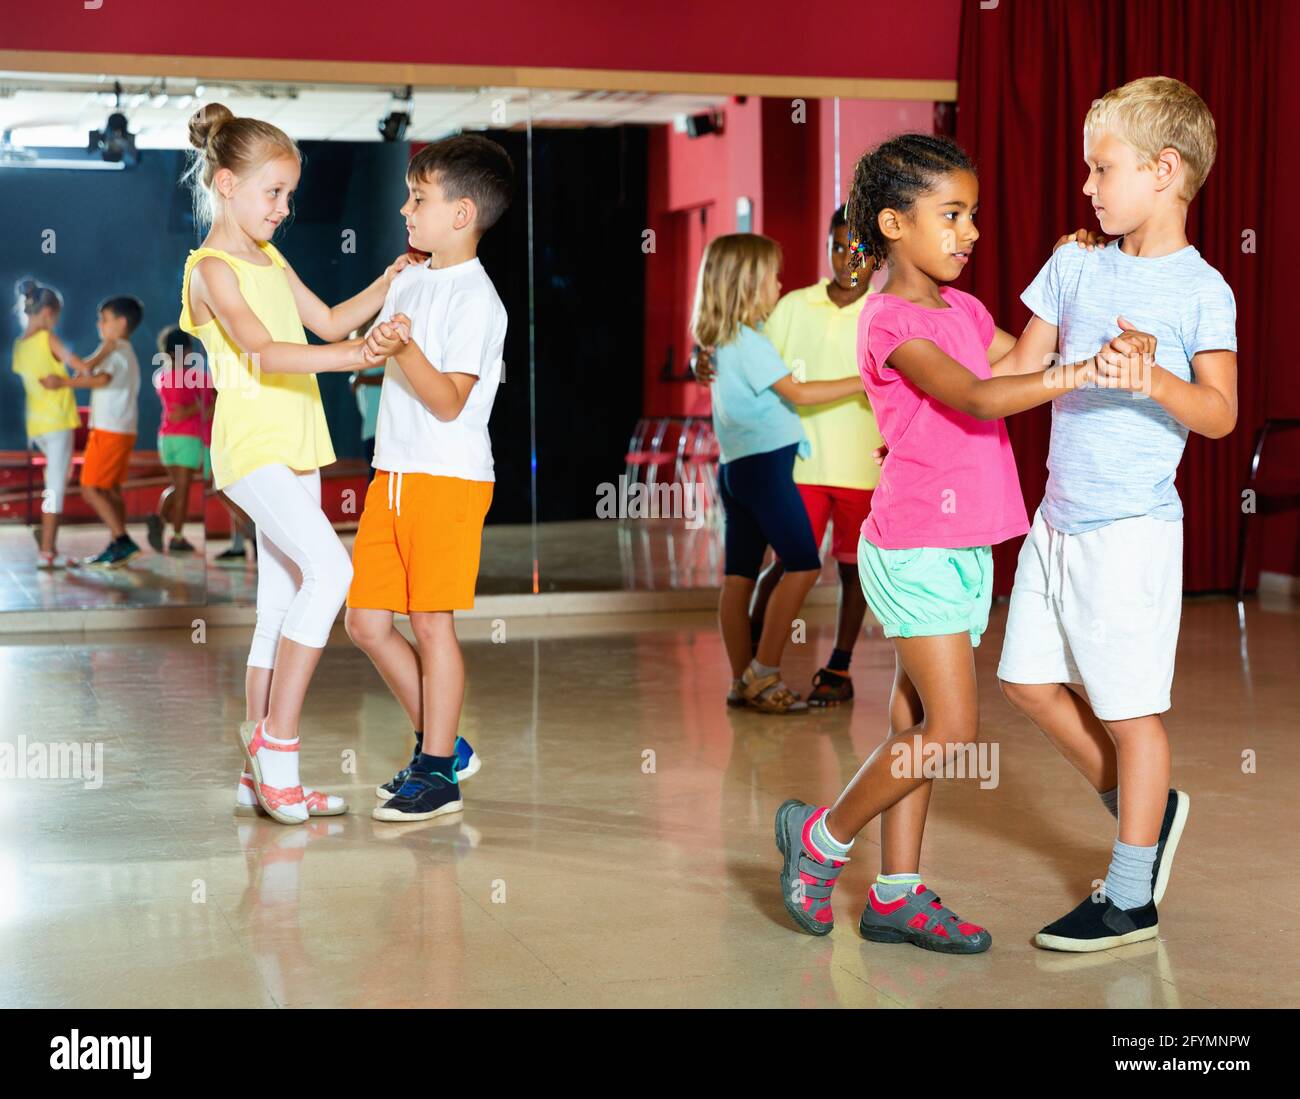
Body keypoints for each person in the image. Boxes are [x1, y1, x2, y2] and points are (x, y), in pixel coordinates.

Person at [775, 133, 1125, 952]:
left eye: (974, 216)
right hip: (916, 545)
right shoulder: (890, 319)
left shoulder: (962, 309)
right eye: (953, 214)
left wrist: (1061, 279)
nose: (970, 232)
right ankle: (821, 840)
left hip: (962, 544)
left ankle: (896, 893)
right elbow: (979, 395)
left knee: (915, 722)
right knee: (953, 730)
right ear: (894, 224)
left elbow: (1022, 357)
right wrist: (1080, 375)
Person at [997, 77, 1237, 952]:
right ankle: (1147, 808)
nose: (1088, 188)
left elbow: (1219, 413)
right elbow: (1017, 375)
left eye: (1103, 169)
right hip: (1055, 522)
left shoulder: (1202, 290)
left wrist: (1155, 380)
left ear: (1164, 171)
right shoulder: (1073, 265)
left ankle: (1130, 895)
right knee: (1024, 680)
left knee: (1131, 712)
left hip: (1132, 531)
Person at [179, 102, 413, 824]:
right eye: (272, 193)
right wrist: (356, 356)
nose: (284, 209)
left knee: (278, 604)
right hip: (253, 447)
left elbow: (333, 320)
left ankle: (260, 776)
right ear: (225, 183)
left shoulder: (269, 257)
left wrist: (389, 282)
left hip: (299, 443)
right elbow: (263, 351)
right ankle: (277, 750)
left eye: (289, 194)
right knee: (333, 572)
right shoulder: (211, 268)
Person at [344, 134, 513, 822]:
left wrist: (403, 347)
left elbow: (448, 401)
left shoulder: (481, 301)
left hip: (447, 477)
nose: (406, 210)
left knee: (429, 622)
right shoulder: (410, 278)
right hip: (395, 472)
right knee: (364, 622)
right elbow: (372, 349)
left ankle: (438, 770)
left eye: (420, 199)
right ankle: (445, 743)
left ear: (463, 213)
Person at [694, 206, 883, 705]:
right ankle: (762, 671)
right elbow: (792, 390)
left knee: (754, 575)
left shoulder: (888, 310)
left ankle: (753, 678)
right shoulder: (774, 321)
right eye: (838, 246)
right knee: (794, 566)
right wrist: (858, 381)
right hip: (784, 467)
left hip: (813, 467)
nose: (847, 258)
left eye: (858, 249)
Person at [43, 295, 144, 568]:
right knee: (109, 489)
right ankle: (118, 543)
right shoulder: (118, 350)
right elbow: (90, 370)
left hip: (110, 430)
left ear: (121, 323)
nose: (100, 324)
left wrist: (62, 382)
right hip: (121, 429)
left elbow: (101, 379)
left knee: (89, 488)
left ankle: (121, 539)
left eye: (105, 319)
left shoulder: (118, 350)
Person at [10, 280, 93, 570]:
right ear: (48, 313)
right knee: (55, 486)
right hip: (57, 421)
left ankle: (48, 544)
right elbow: (82, 367)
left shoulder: (19, 346)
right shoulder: (49, 338)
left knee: (53, 481)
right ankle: (47, 550)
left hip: (37, 425)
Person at [149, 326, 212, 553]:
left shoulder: (160, 376)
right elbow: (211, 397)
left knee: (177, 487)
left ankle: (159, 521)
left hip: (166, 438)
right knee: (182, 491)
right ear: (186, 351)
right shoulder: (196, 376)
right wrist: (193, 411)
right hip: (188, 438)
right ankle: (175, 537)